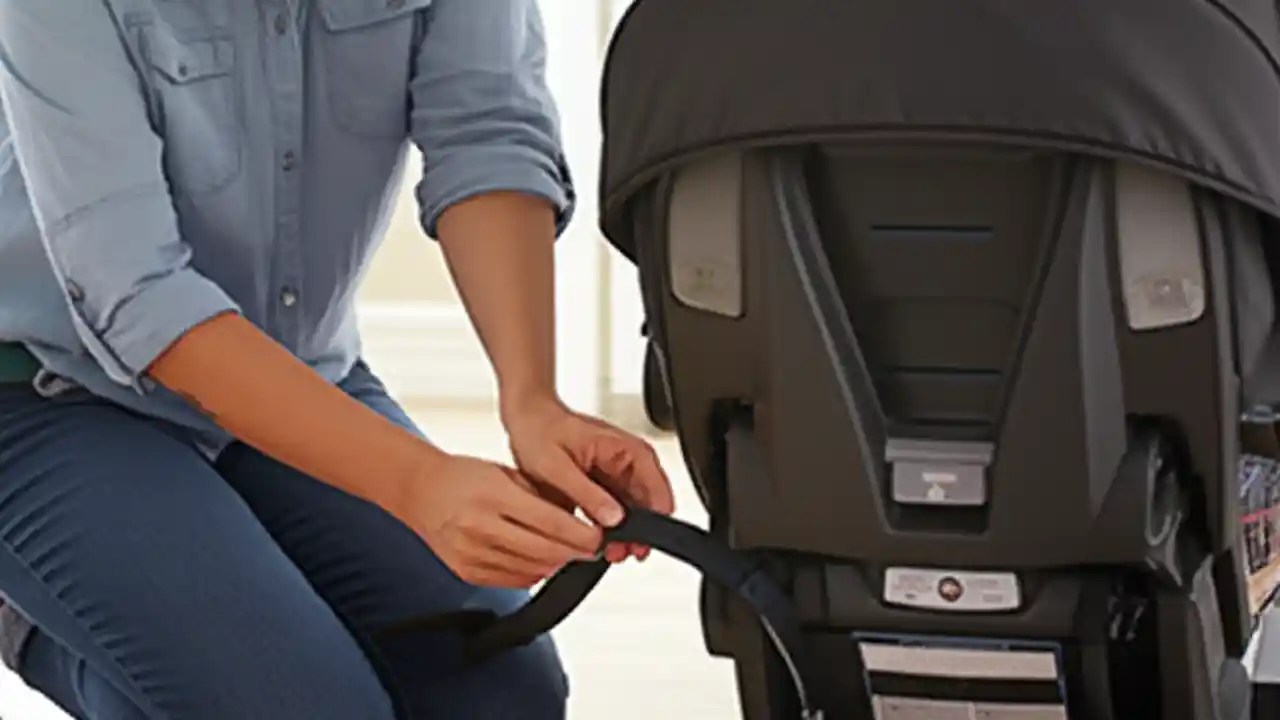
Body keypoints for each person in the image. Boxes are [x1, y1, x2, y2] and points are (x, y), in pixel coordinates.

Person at [0, 1, 675, 718]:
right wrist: (418, 485)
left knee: (501, 694)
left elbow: (487, 135)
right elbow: (134, 290)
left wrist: (532, 400)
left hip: (293, 367)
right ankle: (38, 627)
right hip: (44, 387)